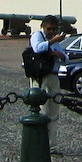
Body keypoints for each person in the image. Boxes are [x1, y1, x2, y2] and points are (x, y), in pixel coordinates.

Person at [29, 15, 68, 153]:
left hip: (54, 76)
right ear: (43, 27)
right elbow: (37, 48)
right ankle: (40, 144)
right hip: (41, 77)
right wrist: (53, 41)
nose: (51, 31)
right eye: (49, 29)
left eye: (54, 29)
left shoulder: (54, 40)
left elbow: (65, 57)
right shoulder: (37, 36)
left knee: (54, 112)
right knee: (43, 111)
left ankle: (52, 145)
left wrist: (60, 55)